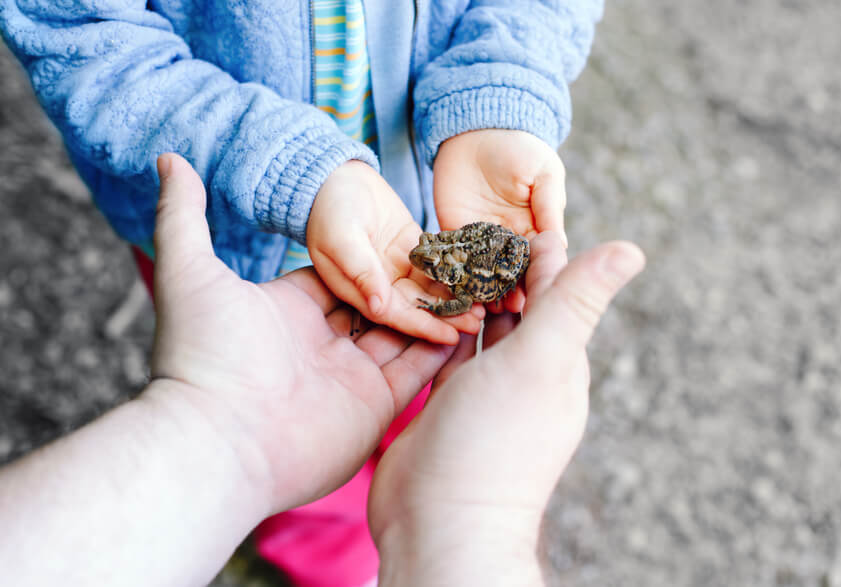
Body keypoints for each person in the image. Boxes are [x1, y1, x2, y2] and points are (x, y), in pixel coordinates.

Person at [0, 0, 613, 582]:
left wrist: (501, 96)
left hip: (429, 196)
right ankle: (328, 548)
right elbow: (91, 45)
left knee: (421, 377)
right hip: (232, 227)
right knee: (295, 415)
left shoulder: (448, 250)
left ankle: (409, 517)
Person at [0, 154, 645, 586]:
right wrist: (465, 521)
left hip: (472, 263)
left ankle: (375, 541)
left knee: (410, 408)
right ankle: (337, 556)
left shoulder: (459, 273)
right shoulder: (432, 257)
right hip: (379, 287)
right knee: (362, 440)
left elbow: (466, 285)